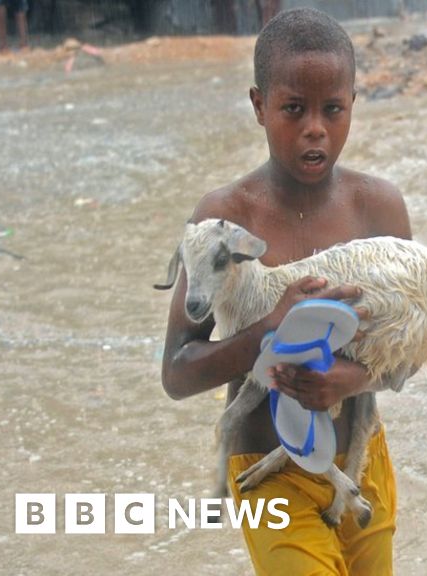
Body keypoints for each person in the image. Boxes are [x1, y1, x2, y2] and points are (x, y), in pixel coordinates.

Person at [161, 8, 411, 575]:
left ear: (353, 104)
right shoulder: (224, 219)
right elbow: (177, 373)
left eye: (333, 109)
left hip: (362, 461)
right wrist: (266, 326)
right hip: (266, 472)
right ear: (259, 106)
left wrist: (353, 378)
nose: (315, 128)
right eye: (293, 108)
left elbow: (407, 348)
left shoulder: (379, 207)